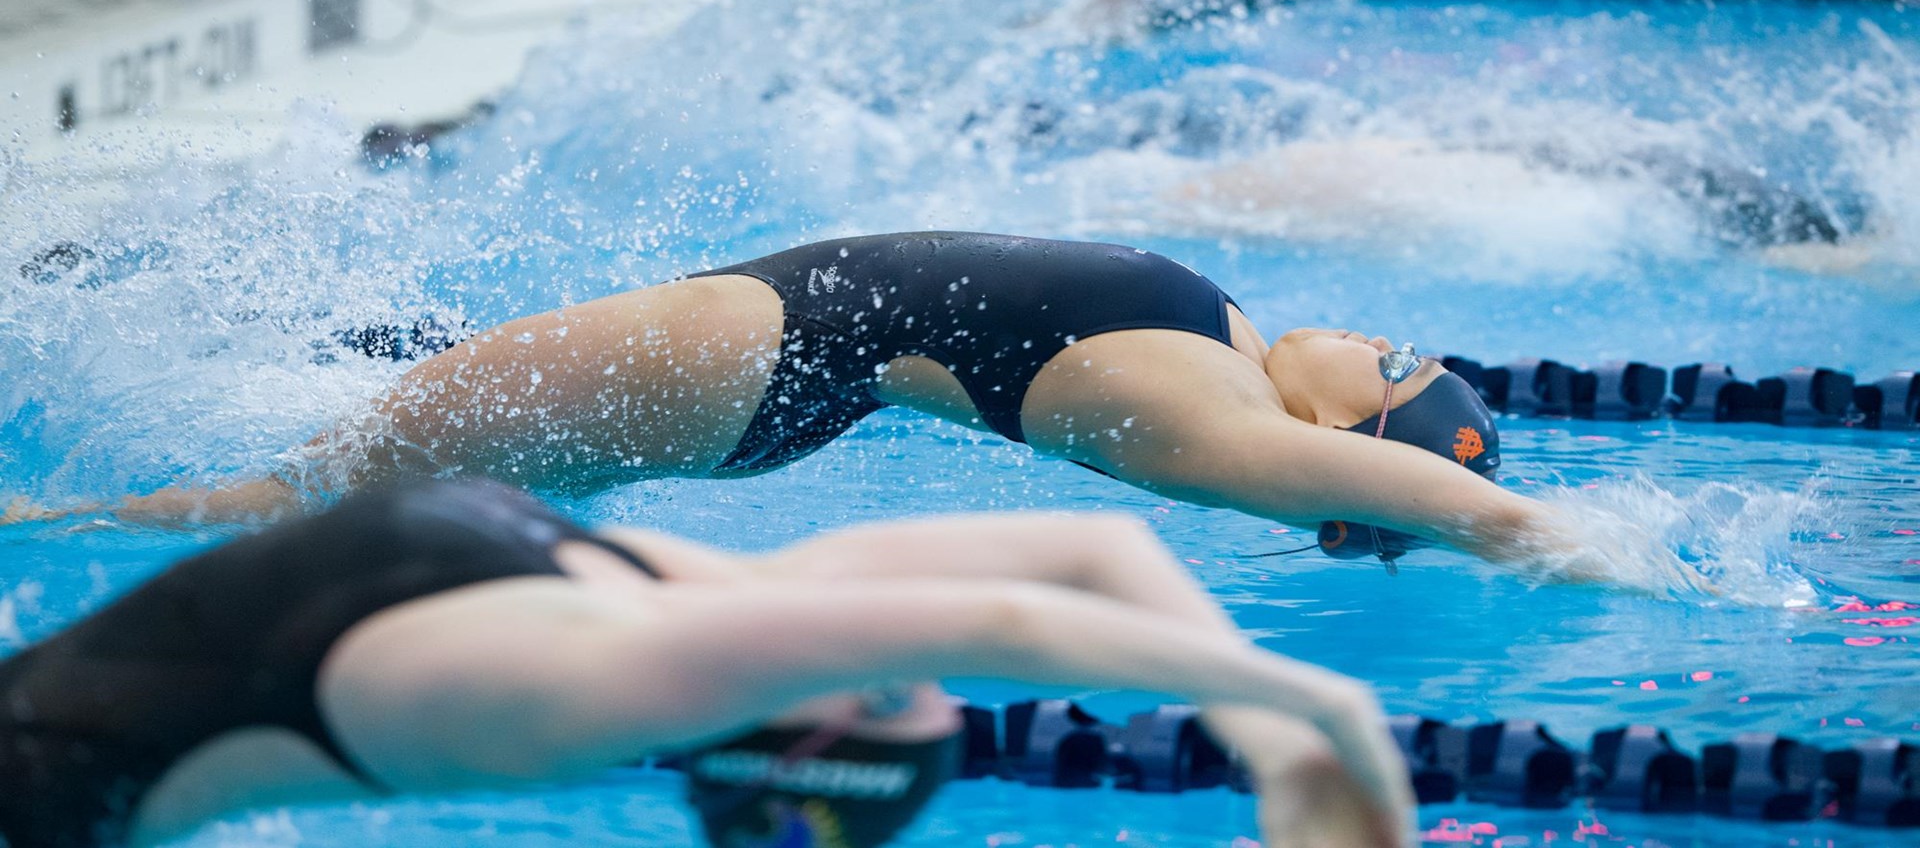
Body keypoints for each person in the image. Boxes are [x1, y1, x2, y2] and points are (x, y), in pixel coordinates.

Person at [51, 232, 1616, 579]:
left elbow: (1384, 492)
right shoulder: (1215, 344)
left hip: (738, 363)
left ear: (1340, 439)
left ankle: (39, 523)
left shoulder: (1190, 408)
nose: (1390, 342)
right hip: (754, 374)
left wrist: (1544, 531)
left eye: (1400, 375)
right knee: (363, 456)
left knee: (290, 496)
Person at [0, 475, 1414, 848]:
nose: (912, 669)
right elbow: (1081, 562)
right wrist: (1294, 738)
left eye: (898, 696)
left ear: (822, 722)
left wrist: (1317, 712)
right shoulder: (680, 599)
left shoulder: (596, 688)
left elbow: (996, 628)